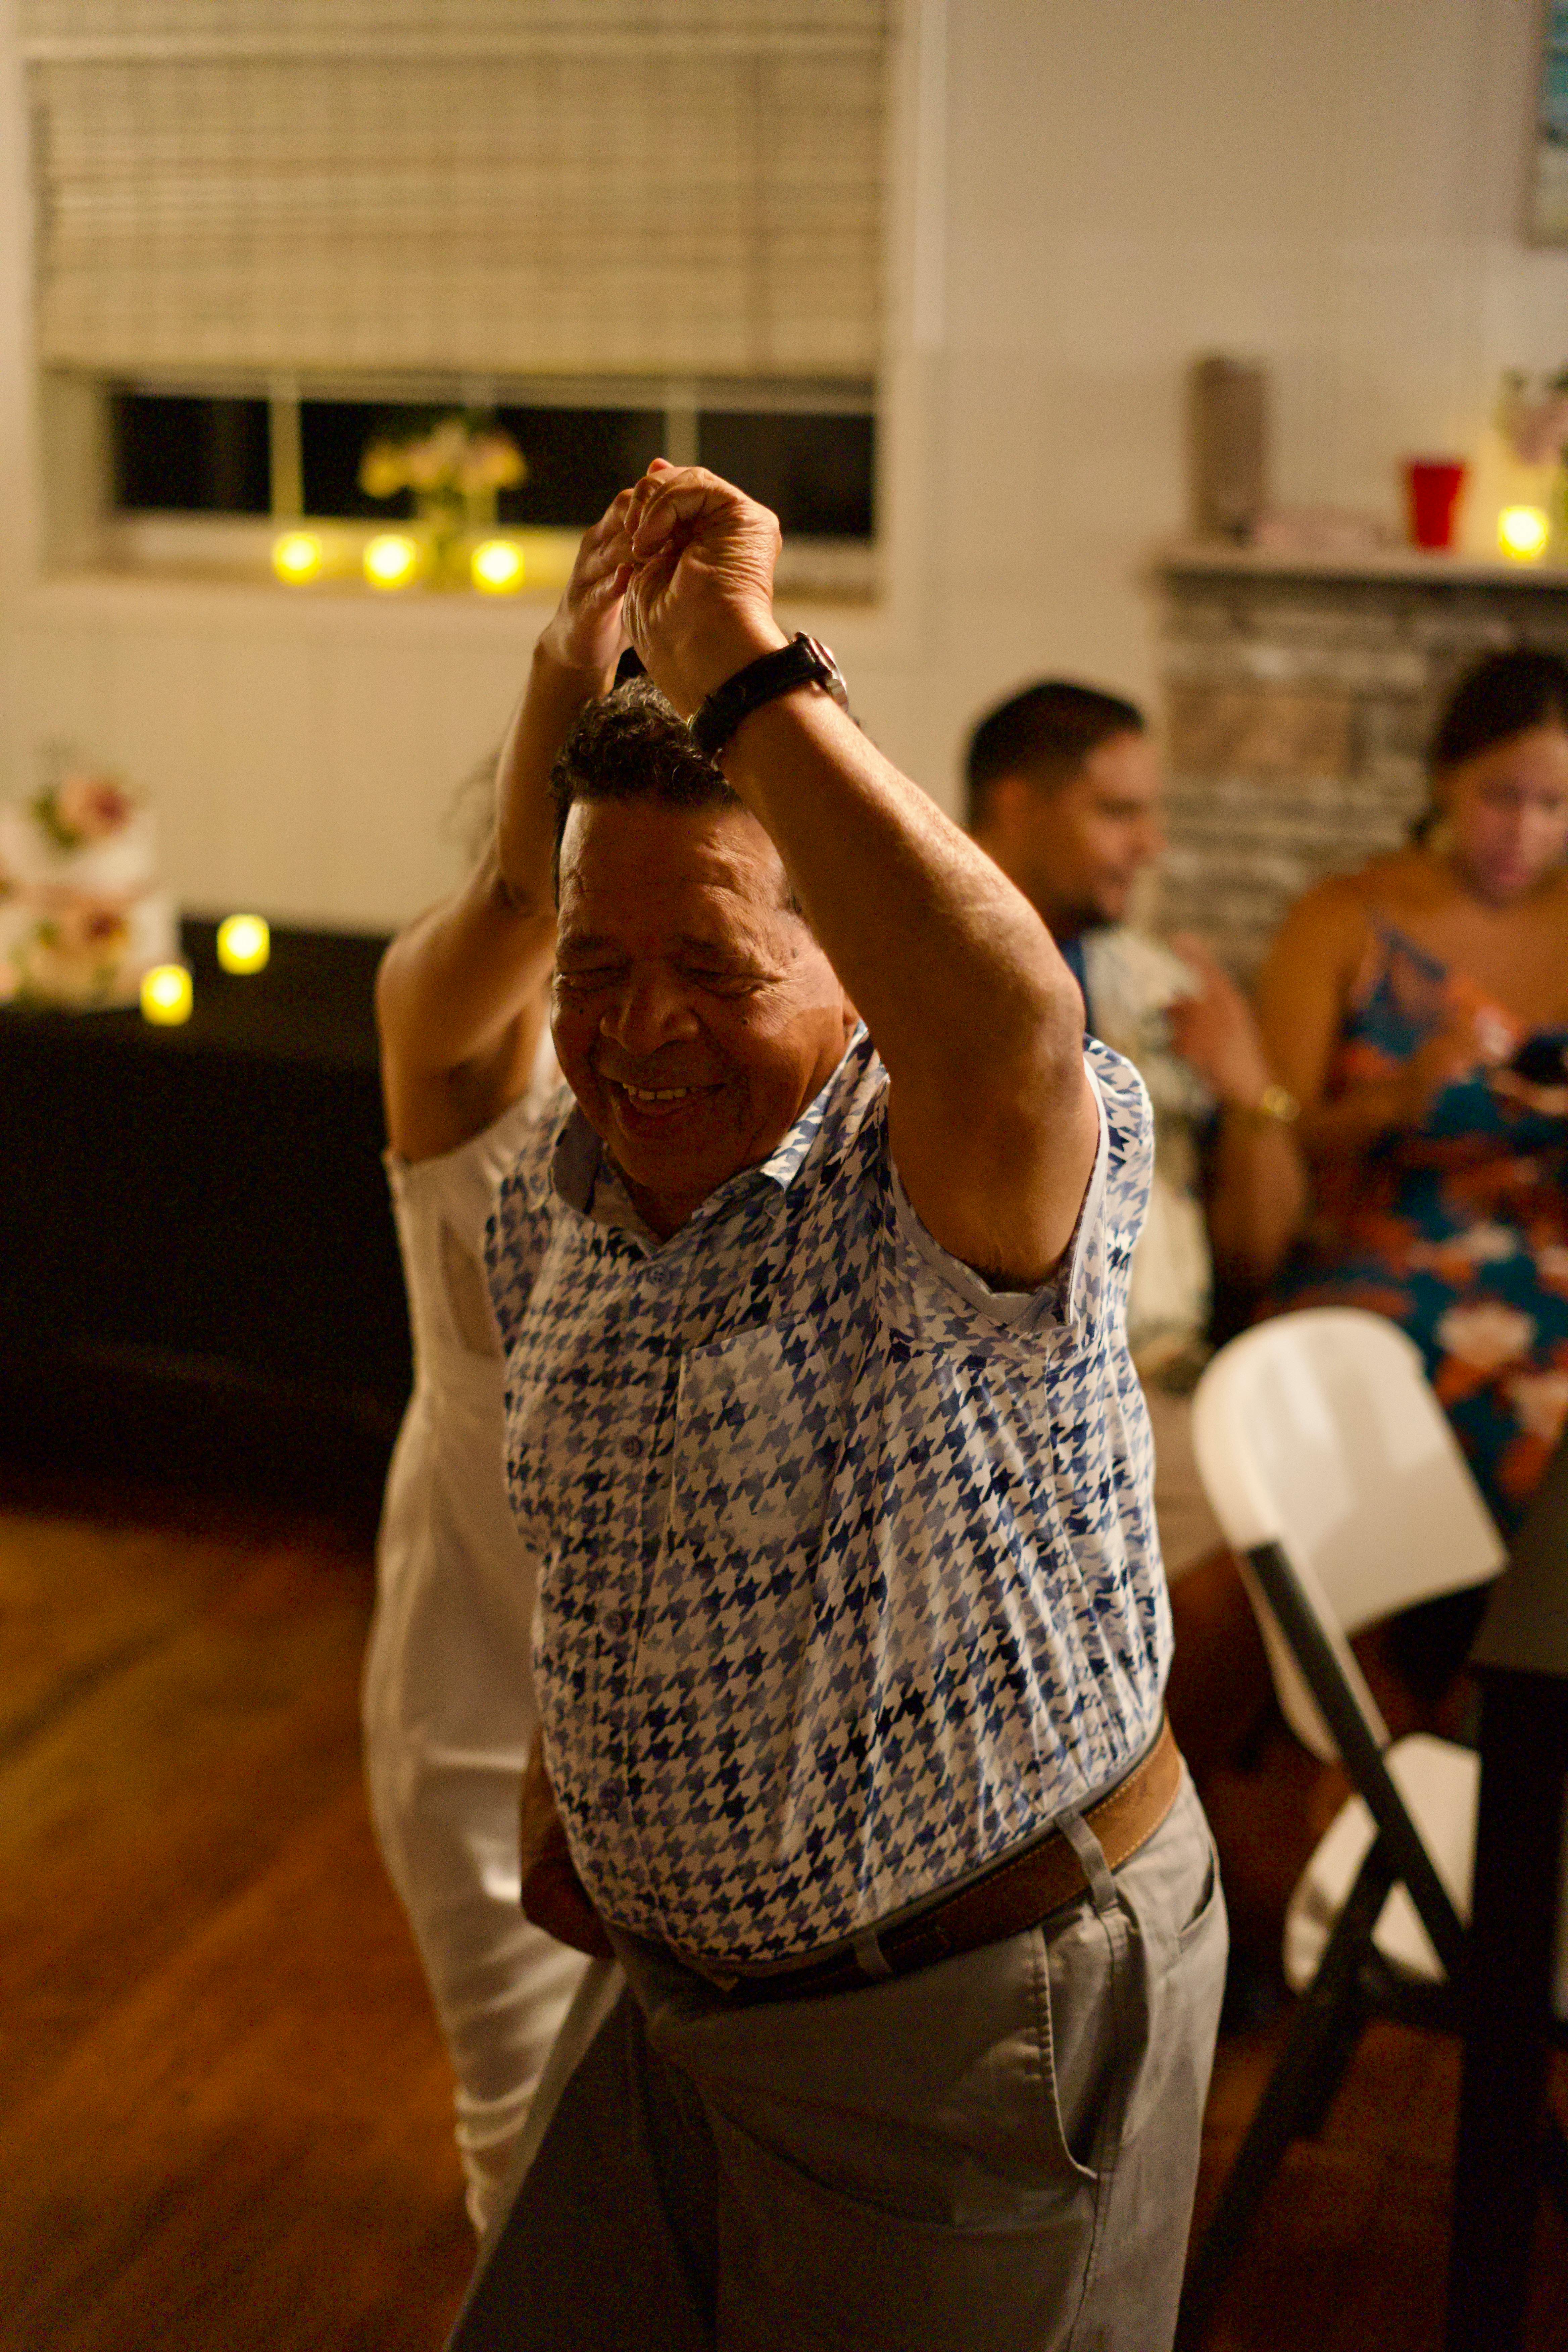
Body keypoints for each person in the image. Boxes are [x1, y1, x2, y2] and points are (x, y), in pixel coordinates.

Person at [457, 463, 1225, 2352]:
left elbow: (1009, 1018)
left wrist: (726, 652)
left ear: (848, 969)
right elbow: (589, 1528)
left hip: (967, 2041)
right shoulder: (556, 1186)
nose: (640, 1031)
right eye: (600, 972)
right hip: (670, 2016)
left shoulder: (949, 1156)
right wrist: (593, 1755)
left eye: (712, 965)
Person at [1177, 647, 1568, 1962]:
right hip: (1378, 1252)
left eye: (1557, 807)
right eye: (1503, 797)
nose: (1526, 834)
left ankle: (1472, 1750)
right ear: (1444, 781)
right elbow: (1282, 1135)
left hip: (1540, 1247)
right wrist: (1410, 1096)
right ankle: (1423, 1752)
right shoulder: (1342, 916)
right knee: (1499, 1407)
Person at [362, 670, 616, 2229]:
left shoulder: (739, 1107)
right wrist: (564, 681)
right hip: (481, 1724)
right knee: (532, 2187)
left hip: (701, 1761)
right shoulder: (470, 1094)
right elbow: (521, 904)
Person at [966, 681, 1305, 1576]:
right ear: (1016, 804)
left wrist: (1251, 1092)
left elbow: (1258, 1253)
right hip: (1022, 1396)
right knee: (1280, 1581)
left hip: (1176, 1377)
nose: (1150, 847)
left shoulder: (1161, 990)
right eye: (1118, 813)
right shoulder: (928, 979)